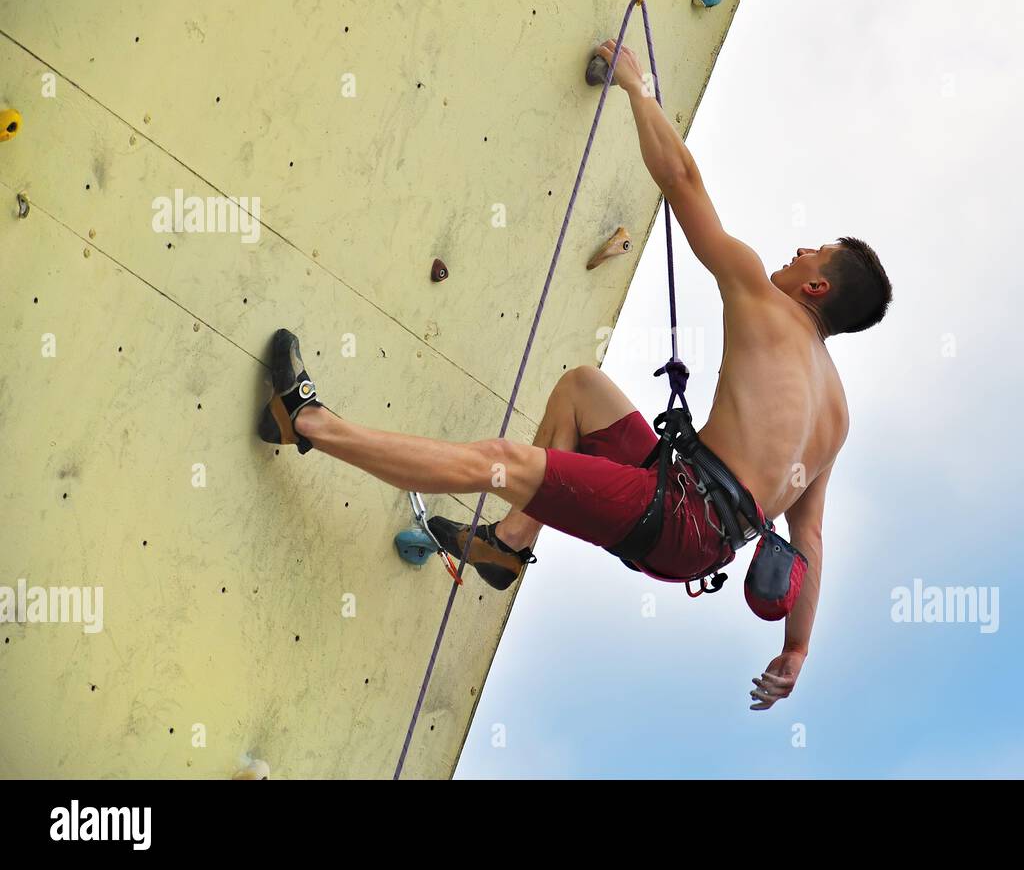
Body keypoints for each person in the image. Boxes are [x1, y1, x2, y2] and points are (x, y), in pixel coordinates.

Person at [258, 40, 892, 710]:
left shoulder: (762, 296)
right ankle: (508, 544)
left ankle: (304, 421)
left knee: (499, 461)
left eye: (813, 250)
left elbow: (681, 180)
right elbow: (809, 536)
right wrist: (797, 649)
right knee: (582, 389)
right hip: (692, 520)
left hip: (679, 513)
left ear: (817, 285)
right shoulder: (837, 414)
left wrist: (635, 85)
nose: (799, 249)